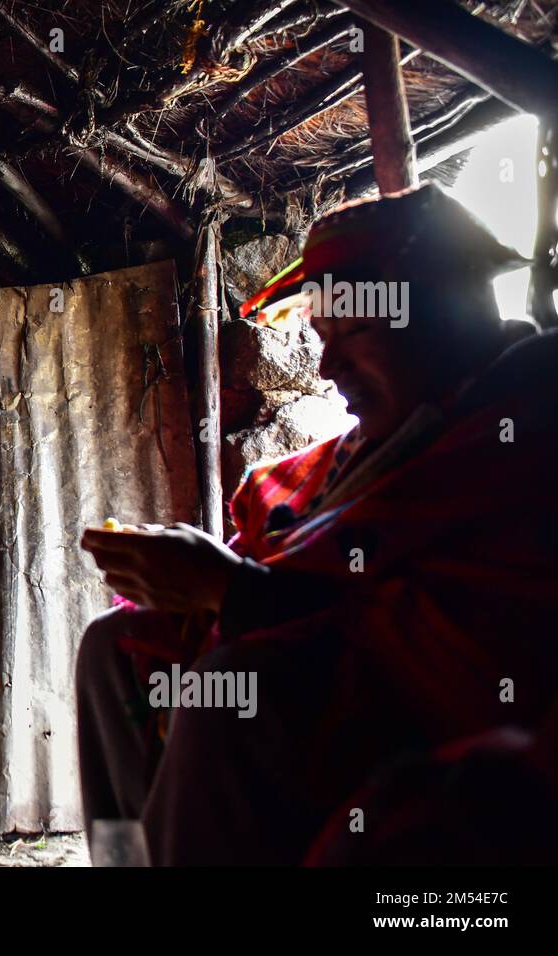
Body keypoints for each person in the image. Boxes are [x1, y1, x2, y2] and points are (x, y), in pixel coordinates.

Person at [76, 183, 558, 865]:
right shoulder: (349, 458)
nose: (329, 367)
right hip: (332, 681)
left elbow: (453, 647)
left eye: (356, 330)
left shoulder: (521, 426)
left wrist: (230, 590)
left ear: (454, 313)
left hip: (433, 723)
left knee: (238, 698)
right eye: (323, 337)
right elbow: (301, 570)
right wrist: (196, 586)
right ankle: (130, 861)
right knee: (115, 647)